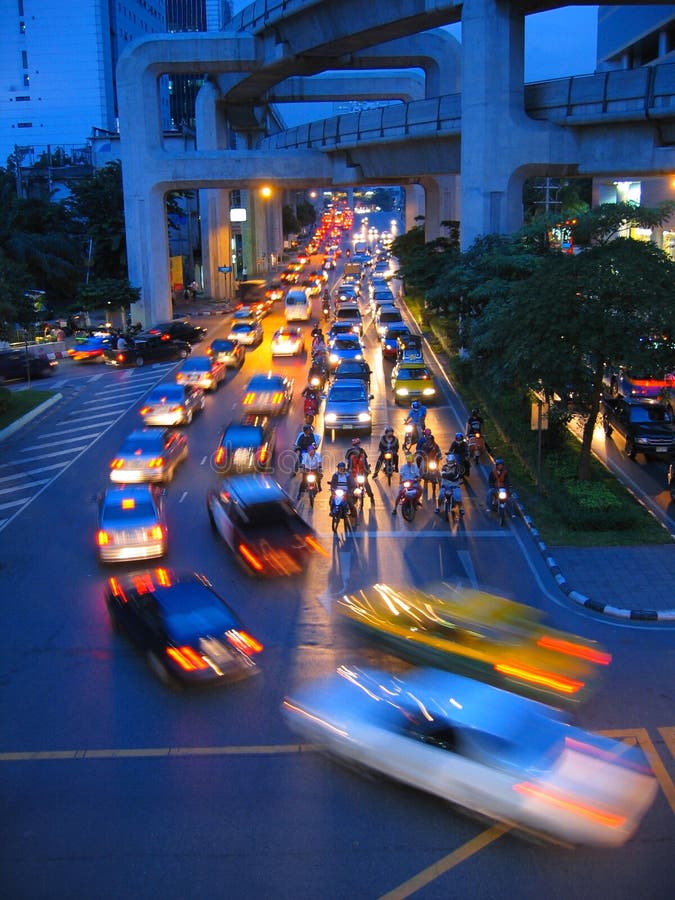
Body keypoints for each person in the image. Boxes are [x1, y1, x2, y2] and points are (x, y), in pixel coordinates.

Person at [345, 437, 374, 503]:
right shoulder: (349, 453)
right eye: (355, 445)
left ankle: (371, 496)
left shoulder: (362, 452)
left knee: (366, 483)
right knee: (350, 484)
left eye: (358, 444)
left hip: (362, 472)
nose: (356, 447)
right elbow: (348, 463)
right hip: (353, 472)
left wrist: (368, 470)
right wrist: (348, 470)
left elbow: (365, 463)